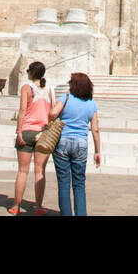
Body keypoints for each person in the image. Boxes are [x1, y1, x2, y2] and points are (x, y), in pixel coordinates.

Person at [48, 72, 101, 216]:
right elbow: (95, 129)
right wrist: (97, 151)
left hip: (63, 142)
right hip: (81, 144)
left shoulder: (65, 98)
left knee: (64, 184)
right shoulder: (91, 104)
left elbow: (53, 113)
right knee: (79, 184)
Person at [9, 61, 55, 215]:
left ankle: (16, 206)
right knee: (40, 172)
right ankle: (39, 207)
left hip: (27, 131)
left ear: (31, 73)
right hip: (43, 133)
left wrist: (19, 131)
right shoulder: (49, 89)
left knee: (22, 171)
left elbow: (22, 110)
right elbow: (52, 112)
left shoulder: (26, 88)